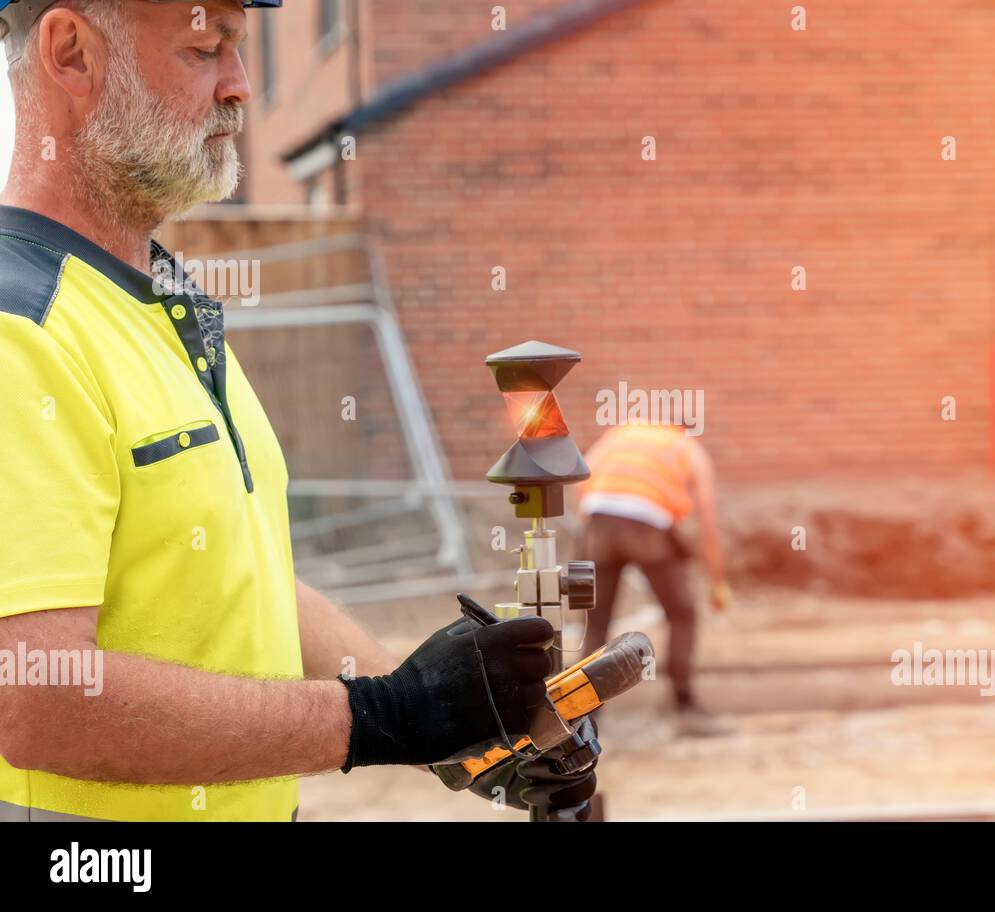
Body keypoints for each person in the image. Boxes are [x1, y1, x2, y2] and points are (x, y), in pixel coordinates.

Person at [0, 0, 593, 821]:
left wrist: (459, 730)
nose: (241, 86)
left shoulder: (158, 304)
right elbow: (35, 701)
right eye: (206, 48)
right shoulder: (20, 328)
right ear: (72, 53)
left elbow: (245, 579)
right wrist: (381, 720)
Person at [576, 422, 732, 736]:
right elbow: (707, 519)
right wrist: (717, 582)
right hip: (646, 526)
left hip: (598, 520)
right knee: (682, 614)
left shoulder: (620, 435)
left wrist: (587, 533)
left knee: (596, 622)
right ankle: (685, 704)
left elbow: (580, 477)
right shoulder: (688, 448)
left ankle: (584, 715)